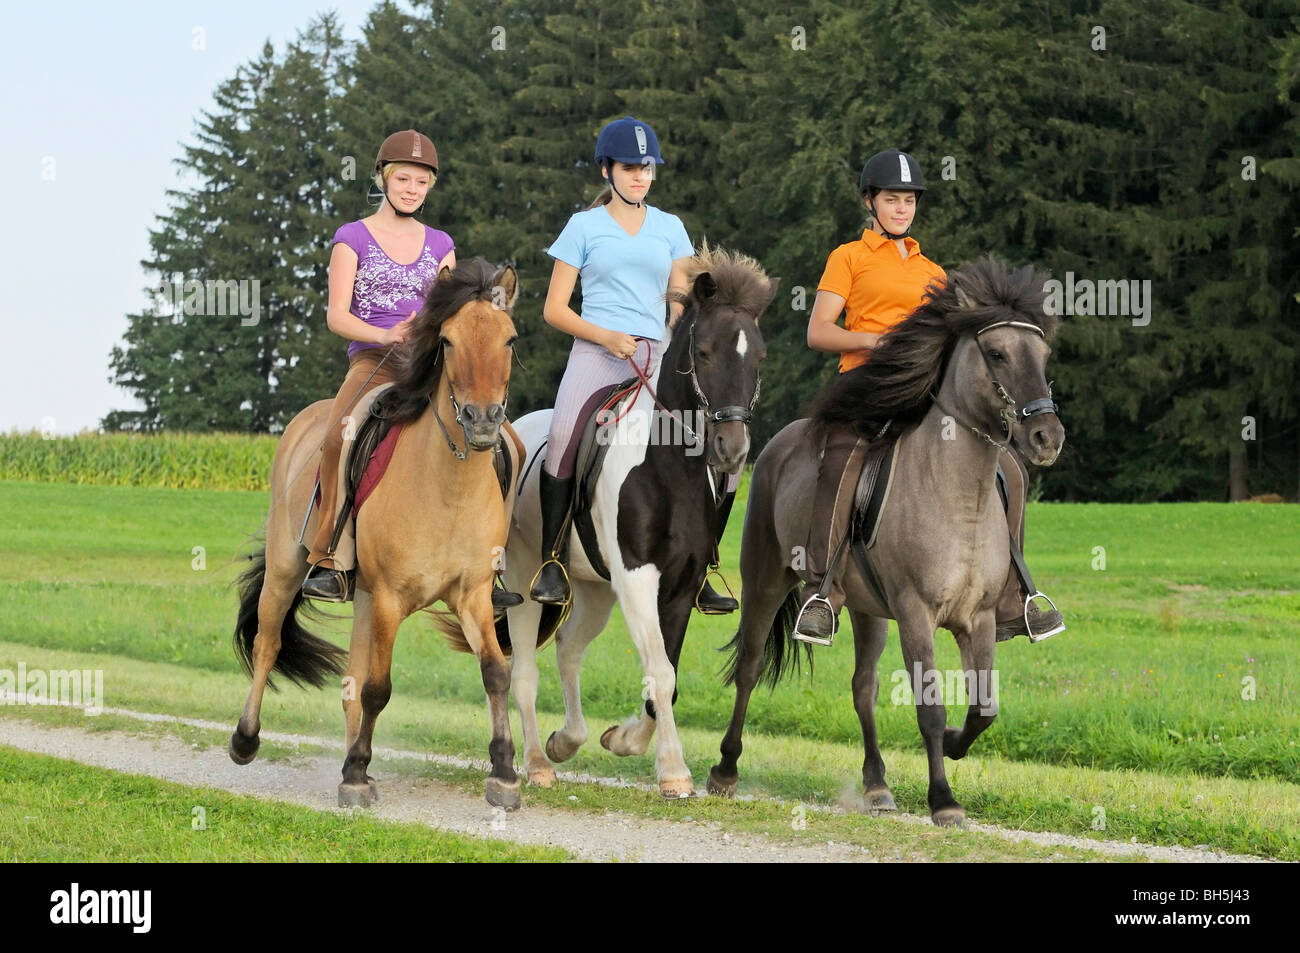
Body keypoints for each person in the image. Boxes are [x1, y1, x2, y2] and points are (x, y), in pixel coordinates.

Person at [794, 148, 1065, 644]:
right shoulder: (847, 258)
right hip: (867, 387)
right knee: (842, 462)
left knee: (1010, 471)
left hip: (926, 392)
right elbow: (819, 332)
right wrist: (872, 341)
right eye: (892, 199)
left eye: (909, 200)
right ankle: (821, 592)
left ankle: (1013, 594)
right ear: (870, 202)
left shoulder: (935, 273)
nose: (902, 209)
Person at [530, 117, 740, 612]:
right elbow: (554, 309)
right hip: (597, 352)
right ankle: (553, 561)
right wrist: (605, 336)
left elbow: (679, 300)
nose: (641, 177)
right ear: (607, 169)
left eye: (647, 168)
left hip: (659, 356)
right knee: (562, 437)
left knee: (722, 456)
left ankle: (704, 563)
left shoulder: (670, 227)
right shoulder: (583, 227)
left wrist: (672, 338)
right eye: (630, 168)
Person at [299, 129, 454, 602]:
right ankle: (330, 554)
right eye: (403, 178)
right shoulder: (352, 237)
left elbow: (451, 310)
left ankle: (490, 560)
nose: (412, 188)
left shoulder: (442, 243)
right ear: (383, 179)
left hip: (431, 361)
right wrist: (384, 333)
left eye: (421, 181)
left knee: (492, 433)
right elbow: (336, 316)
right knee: (338, 434)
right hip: (376, 359)